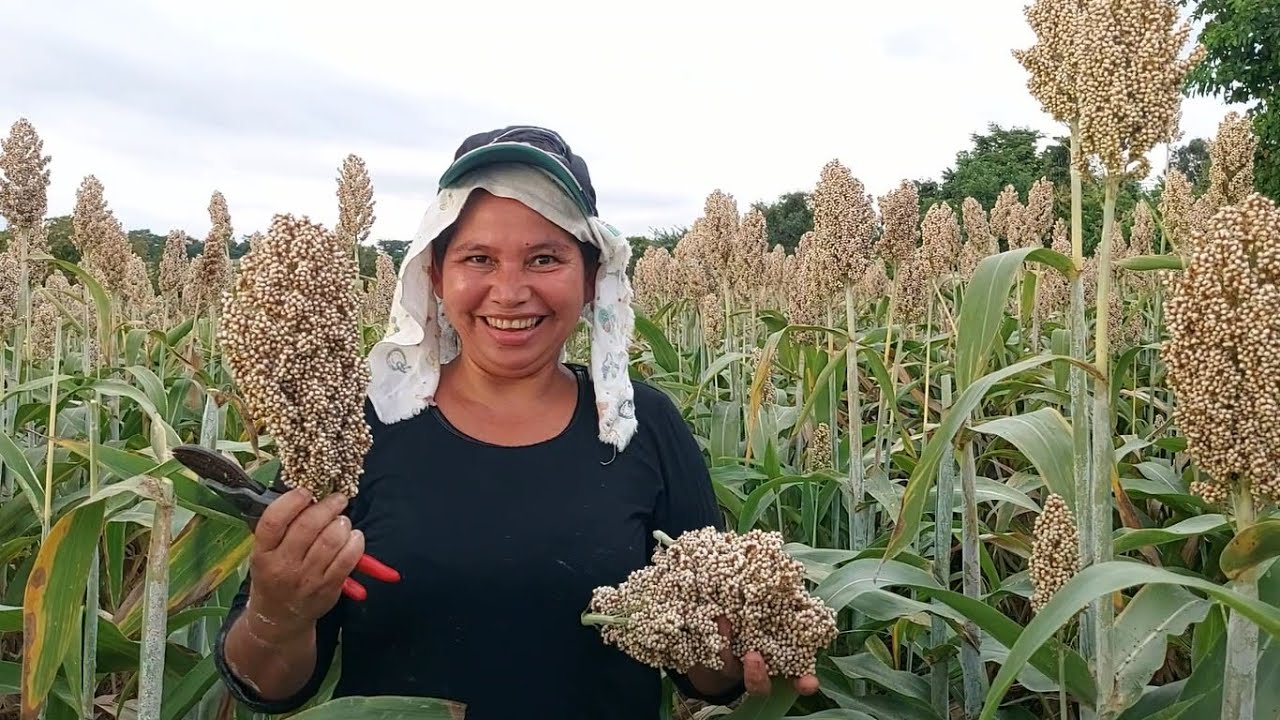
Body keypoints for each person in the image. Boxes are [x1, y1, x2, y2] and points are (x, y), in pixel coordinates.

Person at [211, 125, 820, 719]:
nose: (509, 291)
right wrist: (276, 614)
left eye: (545, 259)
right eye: (478, 258)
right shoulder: (353, 427)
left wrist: (734, 652)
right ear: (435, 277)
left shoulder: (641, 424)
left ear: (590, 282)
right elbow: (269, 688)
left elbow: (701, 671)